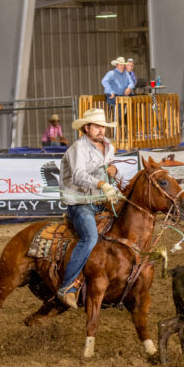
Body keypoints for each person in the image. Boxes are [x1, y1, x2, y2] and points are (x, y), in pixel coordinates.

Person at [57, 108, 122, 310]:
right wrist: (102, 184)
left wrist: (113, 171)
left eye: (103, 126)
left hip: (99, 200)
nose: (101, 130)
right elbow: (78, 175)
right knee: (90, 238)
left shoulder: (109, 147)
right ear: (86, 128)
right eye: (96, 127)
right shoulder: (78, 148)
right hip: (79, 203)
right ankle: (67, 286)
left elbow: (108, 170)